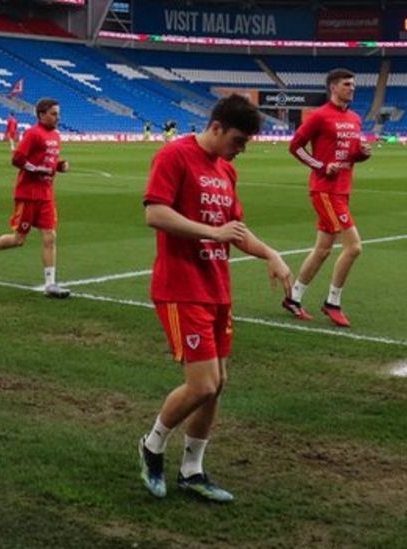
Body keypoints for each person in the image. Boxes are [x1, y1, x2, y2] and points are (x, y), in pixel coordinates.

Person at [138, 95, 294, 501]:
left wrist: (271, 254)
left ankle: (192, 470)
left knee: (217, 384)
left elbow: (235, 229)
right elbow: (155, 213)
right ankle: (152, 445)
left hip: (216, 287)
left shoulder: (226, 170)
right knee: (203, 384)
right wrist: (212, 233)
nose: (241, 150)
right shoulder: (175, 156)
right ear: (217, 127)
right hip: (180, 286)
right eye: (239, 141)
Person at [284, 68, 371, 327]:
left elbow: (351, 152)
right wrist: (321, 166)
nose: (352, 88)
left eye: (353, 84)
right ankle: (332, 302)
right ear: (333, 87)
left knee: (322, 250)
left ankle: (293, 297)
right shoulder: (319, 116)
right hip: (325, 190)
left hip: (343, 190)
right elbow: (295, 146)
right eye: (347, 84)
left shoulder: (355, 118)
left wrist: (363, 153)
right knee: (354, 247)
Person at [0, 98, 71, 298]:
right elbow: (17, 158)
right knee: (19, 239)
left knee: (50, 236)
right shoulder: (33, 134)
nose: (57, 117)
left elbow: (48, 162)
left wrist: (59, 166)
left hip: (46, 194)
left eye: (58, 113)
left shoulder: (55, 135)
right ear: (41, 114)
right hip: (28, 194)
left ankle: (50, 284)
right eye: (53, 113)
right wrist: (36, 169)